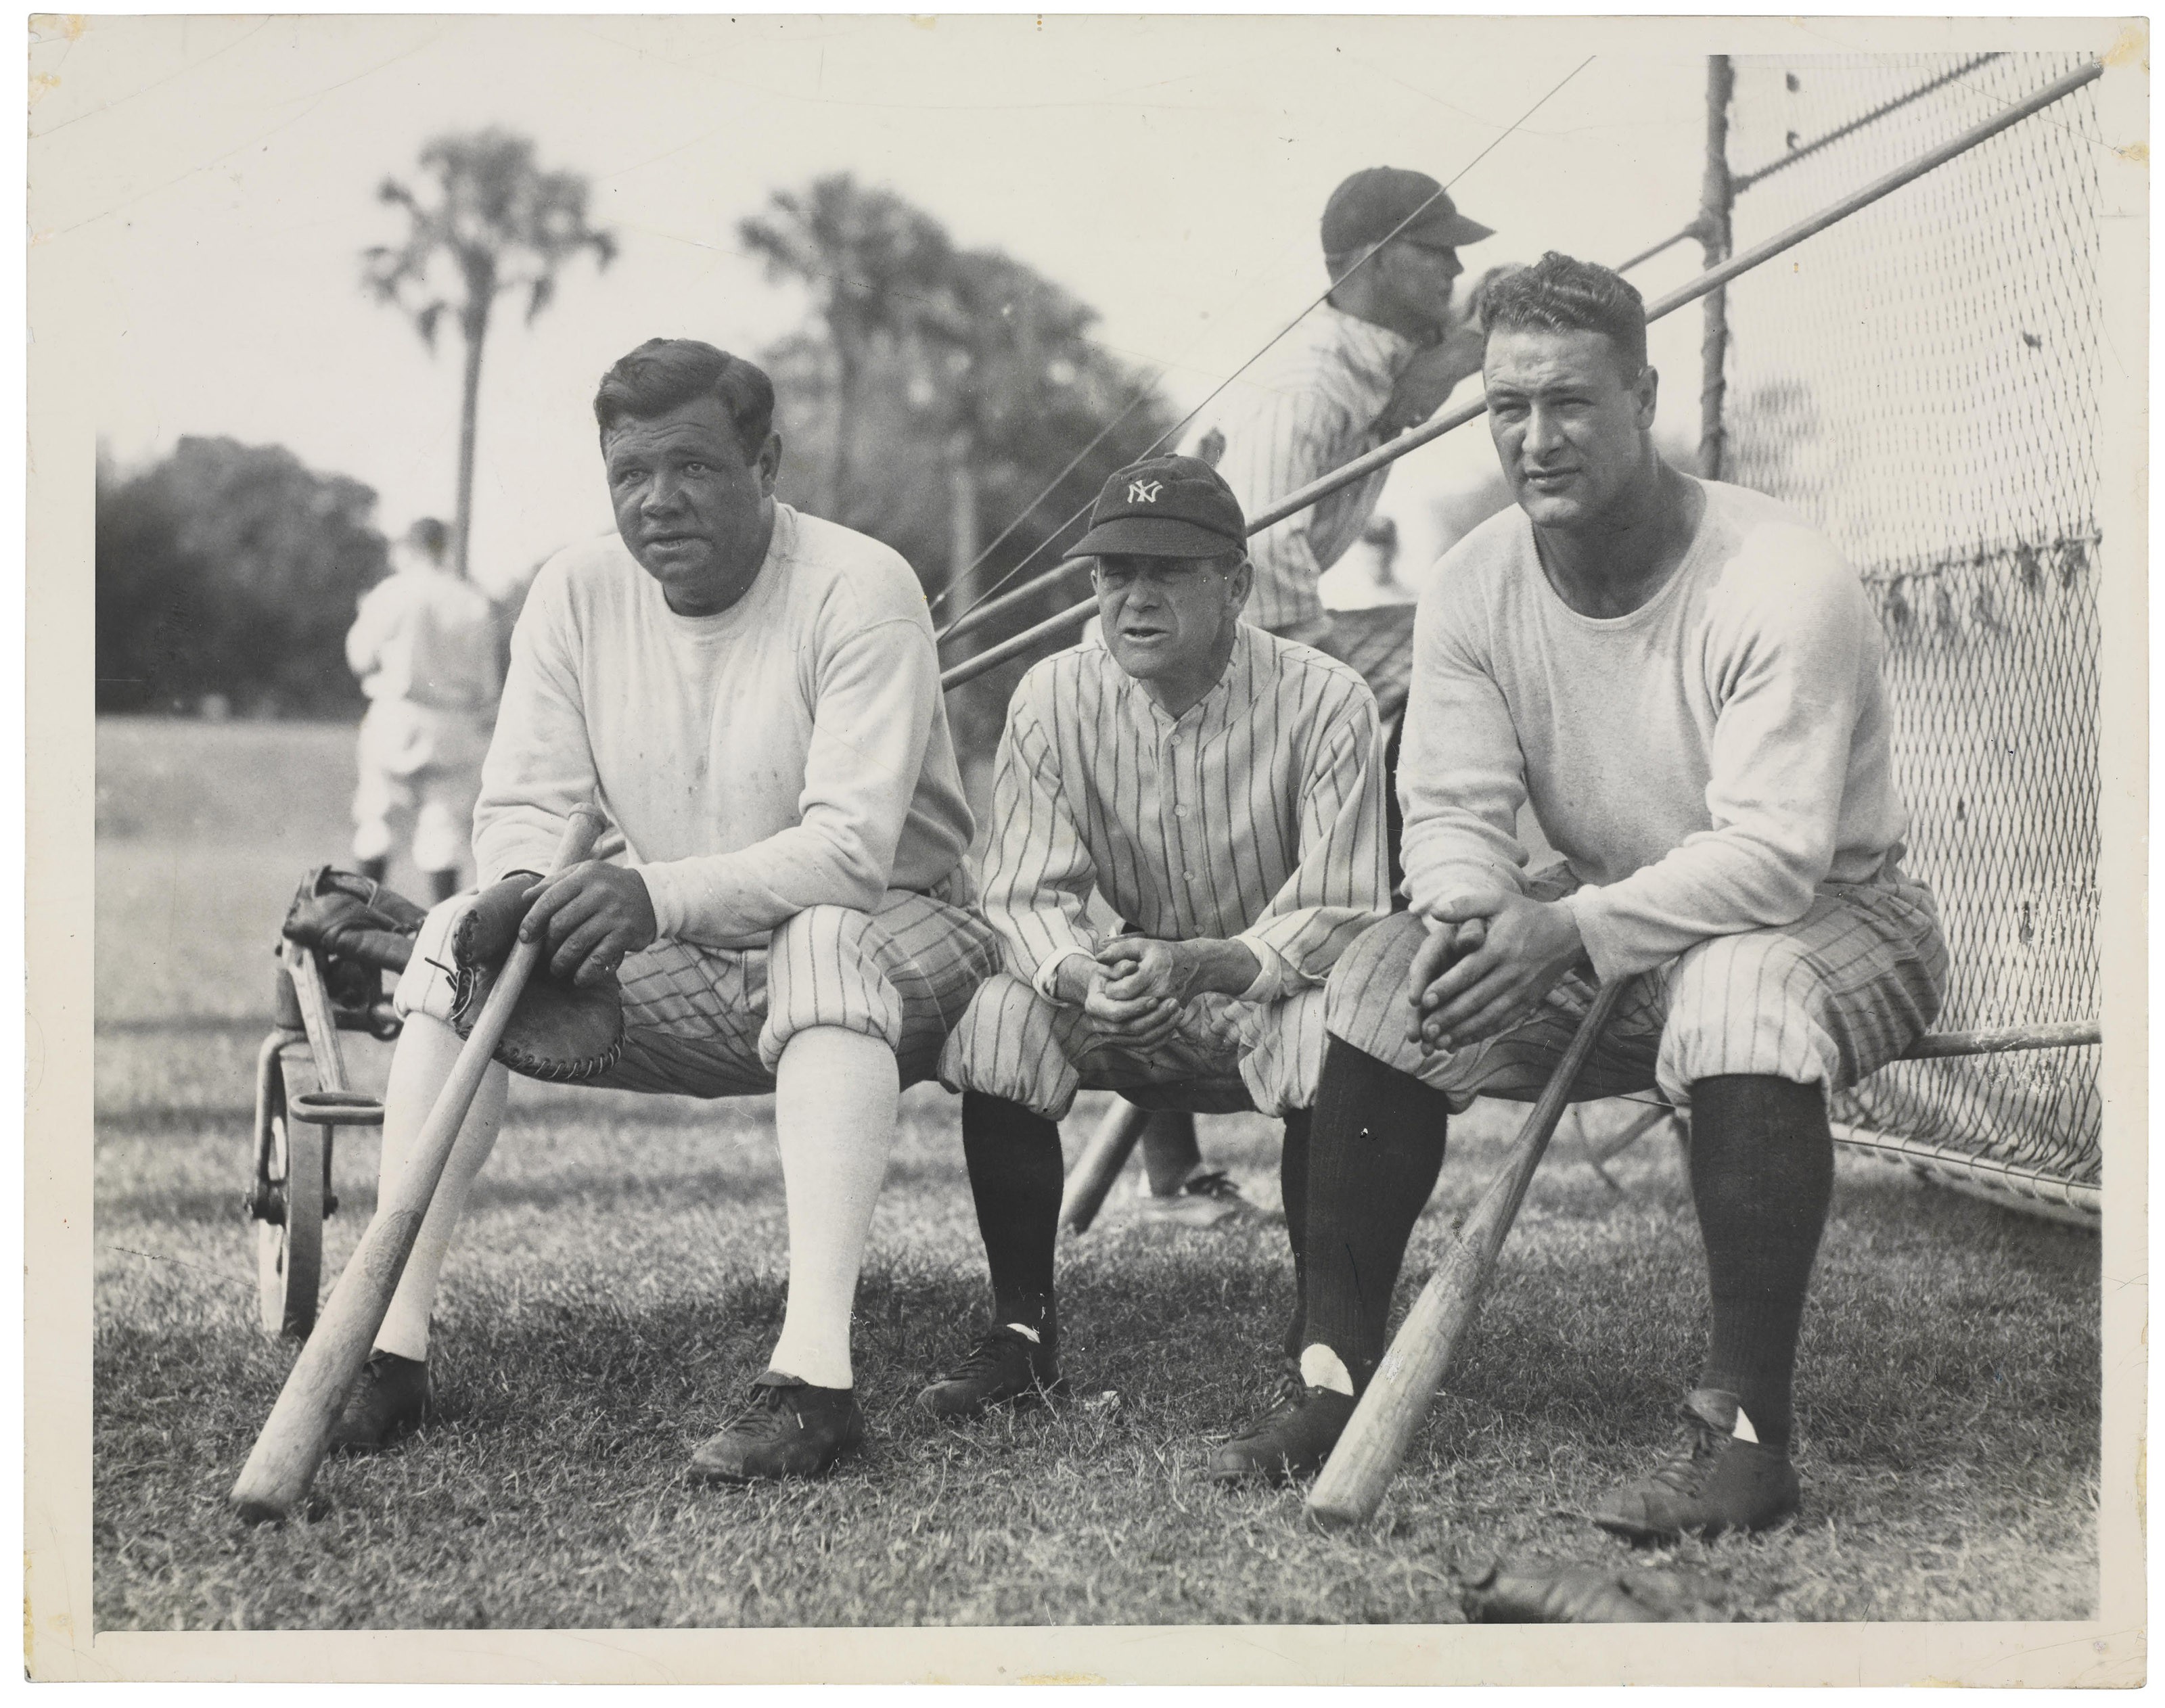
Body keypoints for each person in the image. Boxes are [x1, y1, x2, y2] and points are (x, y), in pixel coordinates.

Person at [1210, 254, 1947, 1543]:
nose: (1534, 439)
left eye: (1569, 404)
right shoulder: (1479, 577)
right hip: (1598, 915)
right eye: (1506, 407)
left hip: (1829, 917)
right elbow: (1447, 807)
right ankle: (1332, 1381)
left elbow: (1773, 859)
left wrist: (1567, 927)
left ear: (1642, 395)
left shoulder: (1777, 574)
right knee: (1387, 976)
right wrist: (1461, 909)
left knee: (1738, 992)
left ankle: (1750, 1442)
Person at [328, 339, 999, 1483]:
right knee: (449, 939)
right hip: (690, 942)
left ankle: (814, 1381)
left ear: (767, 461)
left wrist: (651, 895)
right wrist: (522, 893)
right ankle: (391, 1348)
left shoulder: (862, 583)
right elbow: (528, 801)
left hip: (905, 936)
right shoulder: (577, 590)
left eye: (691, 467)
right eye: (630, 474)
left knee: (823, 943)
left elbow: (845, 855)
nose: (658, 502)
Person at [921, 454, 1390, 1417]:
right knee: (1002, 1015)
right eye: (1113, 573)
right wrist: (1075, 972)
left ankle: (1324, 1342)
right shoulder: (1054, 695)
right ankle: (1020, 1333)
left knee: (1330, 1027)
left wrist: (1218, 962)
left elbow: (1346, 907)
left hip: (1275, 983)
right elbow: (1018, 894)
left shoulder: (1327, 696)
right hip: (1132, 987)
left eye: (1168, 572)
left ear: (1238, 584)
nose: (1134, 600)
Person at [1132, 166, 1495, 1228]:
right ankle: (1386, 938)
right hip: (1201, 633)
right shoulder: (1310, 382)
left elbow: (1415, 383)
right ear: (1372, 265)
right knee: (1196, 867)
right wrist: (1328, 684)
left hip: (1231, 631)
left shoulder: (1366, 357)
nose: (1457, 267)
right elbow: (1268, 542)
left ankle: (1374, 928)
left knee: (1438, 654)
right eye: (1438, 251)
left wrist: (1473, 336)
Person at [345, 516, 503, 902]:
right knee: (443, 831)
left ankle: (357, 934)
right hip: (452, 722)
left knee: (378, 820)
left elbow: (360, 659)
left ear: (409, 548)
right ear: (443, 548)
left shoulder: (389, 594)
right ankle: (444, 942)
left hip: (396, 714)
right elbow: (487, 686)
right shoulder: (471, 600)